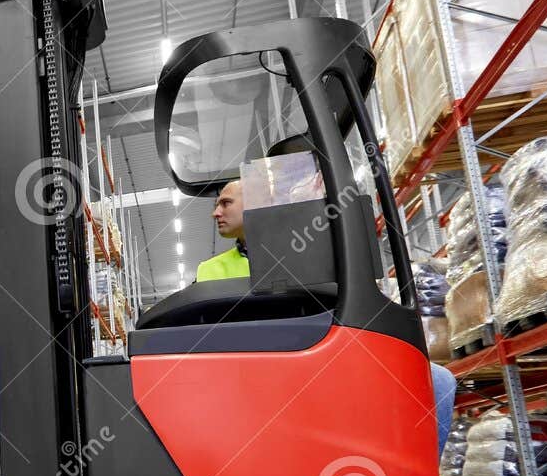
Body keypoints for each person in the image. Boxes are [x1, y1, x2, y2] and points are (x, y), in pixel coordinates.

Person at [190, 178, 458, 454]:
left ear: (256, 203)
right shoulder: (210, 269)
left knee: (439, 382)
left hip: (319, 354)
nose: (216, 213)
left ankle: (411, 474)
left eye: (225, 203)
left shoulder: (312, 250)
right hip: (253, 369)